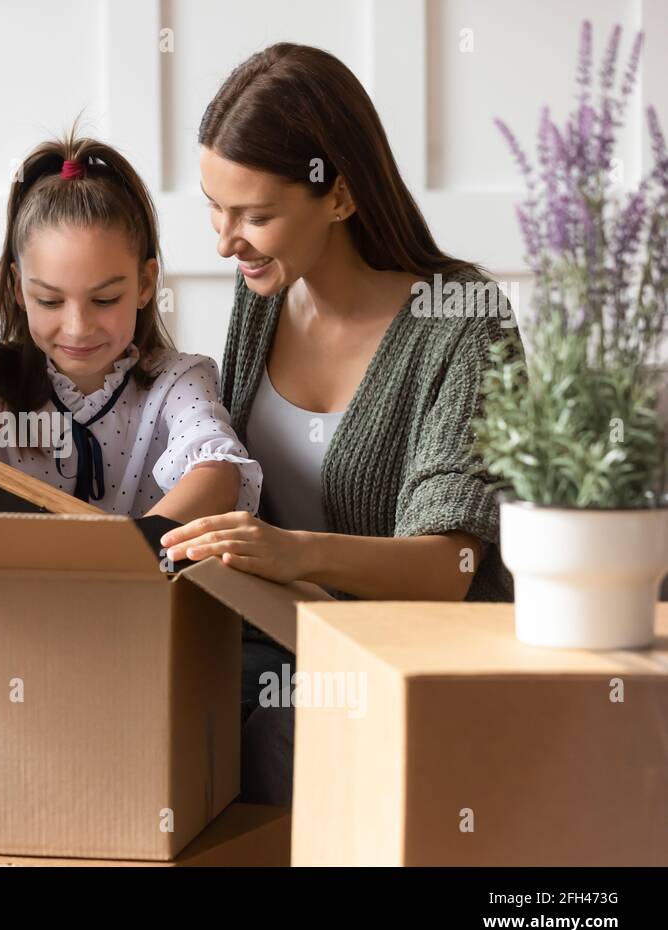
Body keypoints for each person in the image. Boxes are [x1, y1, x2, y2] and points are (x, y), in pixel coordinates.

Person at [160, 43, 523, 806]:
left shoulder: (461, 322)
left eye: (255, 215)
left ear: (340, 197)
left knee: (277, 729)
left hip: (410, 652)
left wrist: (290, 553)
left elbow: (448, 570)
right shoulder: (262, 295)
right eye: (215, 208)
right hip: (282, 635)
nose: (225, 242)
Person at [0, 133, 260, 523]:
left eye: (104, 300)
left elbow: (218, 472)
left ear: (144, 284)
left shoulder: (178, 380)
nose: (77, 328)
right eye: (50, 301)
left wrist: (123, 554)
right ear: (18, 289)